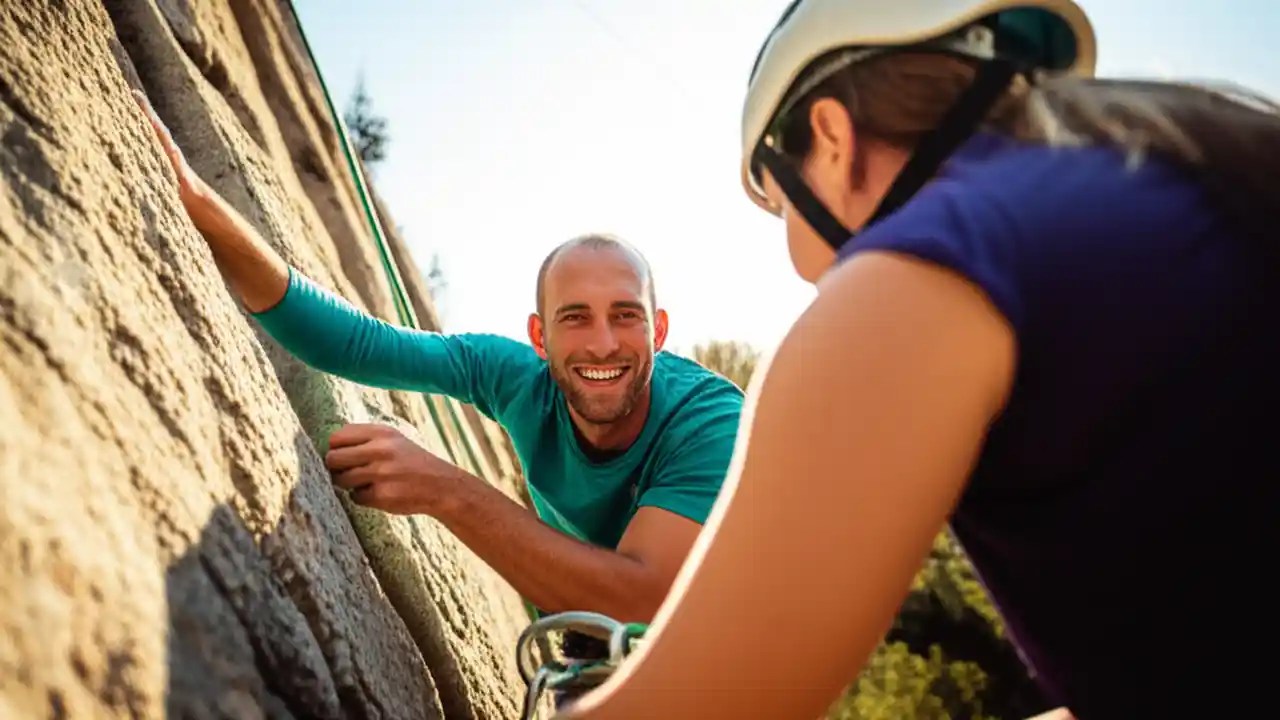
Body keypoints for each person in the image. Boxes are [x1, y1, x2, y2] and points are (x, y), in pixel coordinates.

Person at [558, 1, 1280, 719]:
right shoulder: (1171, 190)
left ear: (832, 138)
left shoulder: (931, 261)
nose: (800, 263)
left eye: (781, 207)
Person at [133, 93, 744, 629]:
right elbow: (354, 343)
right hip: (593, 645)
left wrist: (443, 488)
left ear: (659, 330)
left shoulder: (708, 421)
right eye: (575, 317)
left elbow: (639, 599)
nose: (604, 344)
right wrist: (203, 207)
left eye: (627, 316)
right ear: (539, 337)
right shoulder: (514, 378)